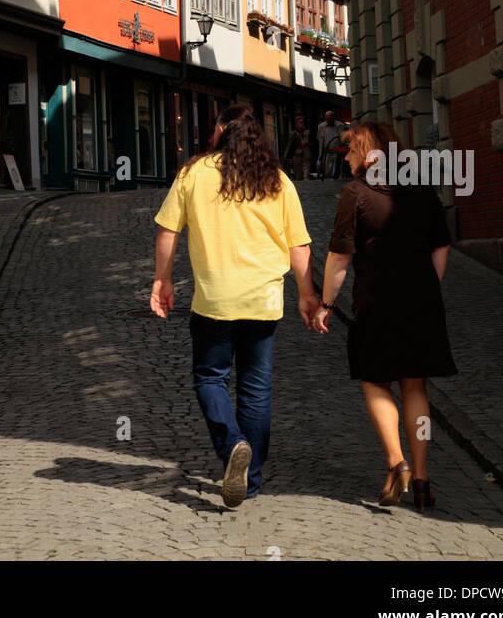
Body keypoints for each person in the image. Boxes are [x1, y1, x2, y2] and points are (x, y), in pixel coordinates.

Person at [150, 105, 318, 508]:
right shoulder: (277, 180)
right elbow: (299, 246)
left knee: (210, 378)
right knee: (256, 388)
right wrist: (308, 296)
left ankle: (233, 444)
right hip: (264, 299)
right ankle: (252, 478)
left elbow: (168, 230)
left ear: (221, 130)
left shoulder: (193, 173)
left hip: (215, 299)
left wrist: (163, 279)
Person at [311, 121, 456, 510]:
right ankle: (423, 477)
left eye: (352, 152)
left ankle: (397, 462)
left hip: (375, 302)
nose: (349, 159)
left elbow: (340, 257)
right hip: (421, 304)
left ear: (368, 152)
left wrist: (326, 304)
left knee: (376, 381)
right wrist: (429, 285)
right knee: (415, 388)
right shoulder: (422, 190)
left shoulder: (355, 194)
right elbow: (441, 245)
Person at [317, 109, 345, 179]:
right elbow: (320, 140)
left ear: (334, 118)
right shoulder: (321, 127)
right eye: (327, 119)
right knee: (327, 171)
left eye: (330, 118)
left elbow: (343, 139)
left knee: (338, 170)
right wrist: (320, 154)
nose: (329, 120)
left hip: (337, 151)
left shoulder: (340, 125)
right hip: (327, 151)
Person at [284, 114, 310, 181]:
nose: (302, 124)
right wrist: (288, 157)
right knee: (298, 175)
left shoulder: (307, 132)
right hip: (297, 156)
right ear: (296, 124)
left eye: (303, 122)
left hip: (306, 155)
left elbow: (308, 142)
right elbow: (289, 145)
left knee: (306, 175)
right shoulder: (293, 134)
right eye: (300, 122)